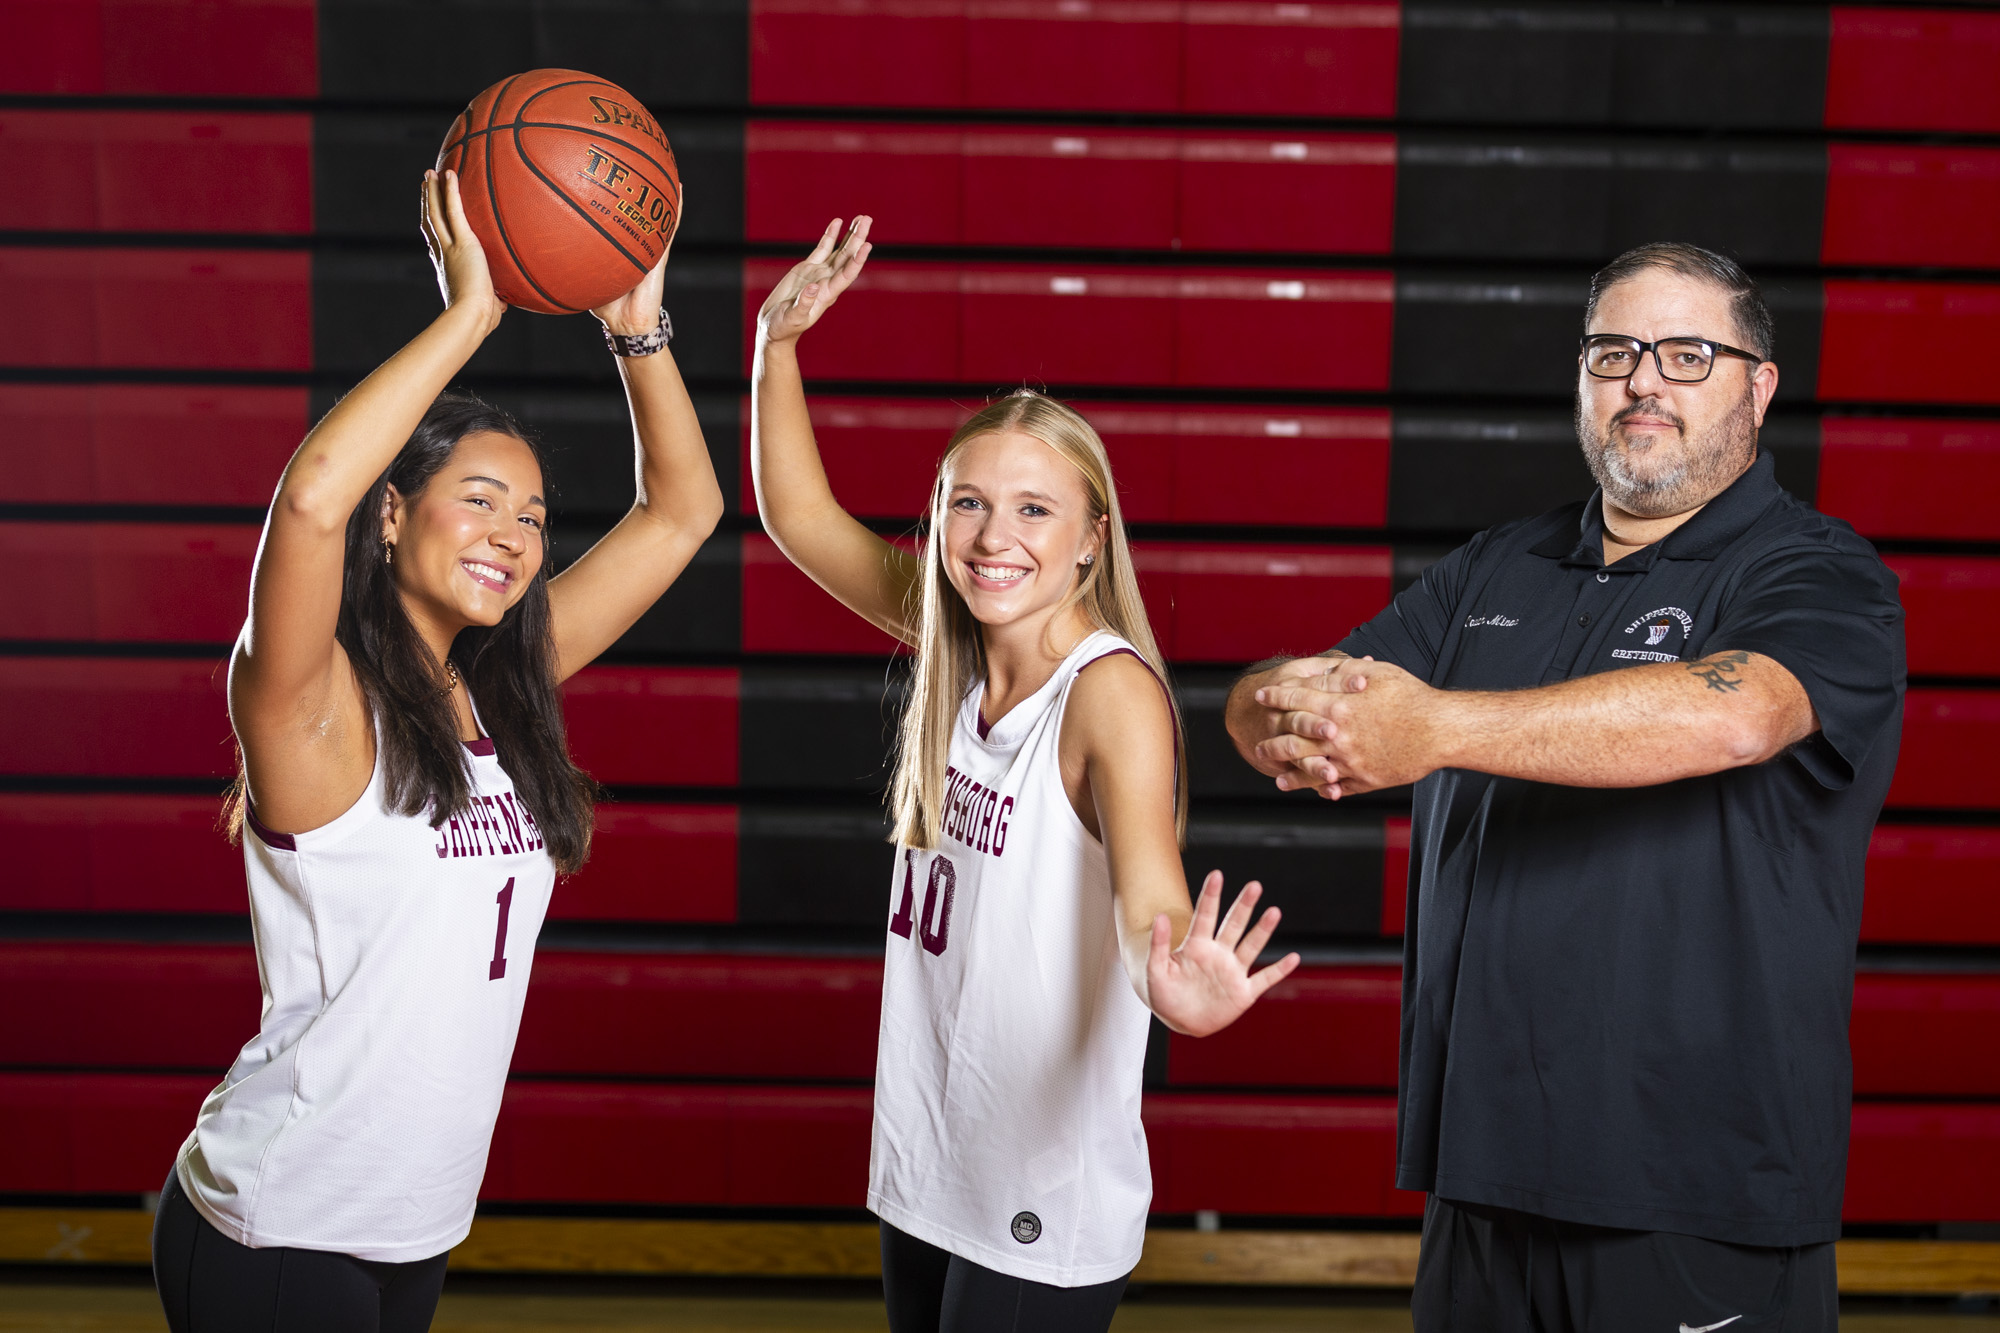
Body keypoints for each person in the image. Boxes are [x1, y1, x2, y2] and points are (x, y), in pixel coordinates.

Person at [1227, 243, 1904, 1332]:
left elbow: (1735, 713)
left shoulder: (1814, 572)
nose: (1642, 380)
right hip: (1480, 1172)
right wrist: (1270, 711)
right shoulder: (1498, 565)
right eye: (1612, 351)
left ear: (1757, 386)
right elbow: (1280, 698)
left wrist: (1432, 726)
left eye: (1687, 354)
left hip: (1693, 1191)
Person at [150, 168, 723, 1333]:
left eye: (531, 516)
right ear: (395, 512)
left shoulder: (505, 692)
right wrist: (469, 313)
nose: (512, 537)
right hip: (285, 1222)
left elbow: (682, 514)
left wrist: (637, 330)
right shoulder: (309, 708)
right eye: (477, 499)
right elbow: (312, 500)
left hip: (411, 1225)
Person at [753, 217, 1301, 1333]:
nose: (992, 536)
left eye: (1033, 508)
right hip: (930, 1156)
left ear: (1092, 538)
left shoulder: (1107, 691)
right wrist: (777, 345)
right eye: (967, 501)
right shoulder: (955, 639)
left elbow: (1149, 890)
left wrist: (1172, 983)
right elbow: (800, 522)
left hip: (1040, 1189)